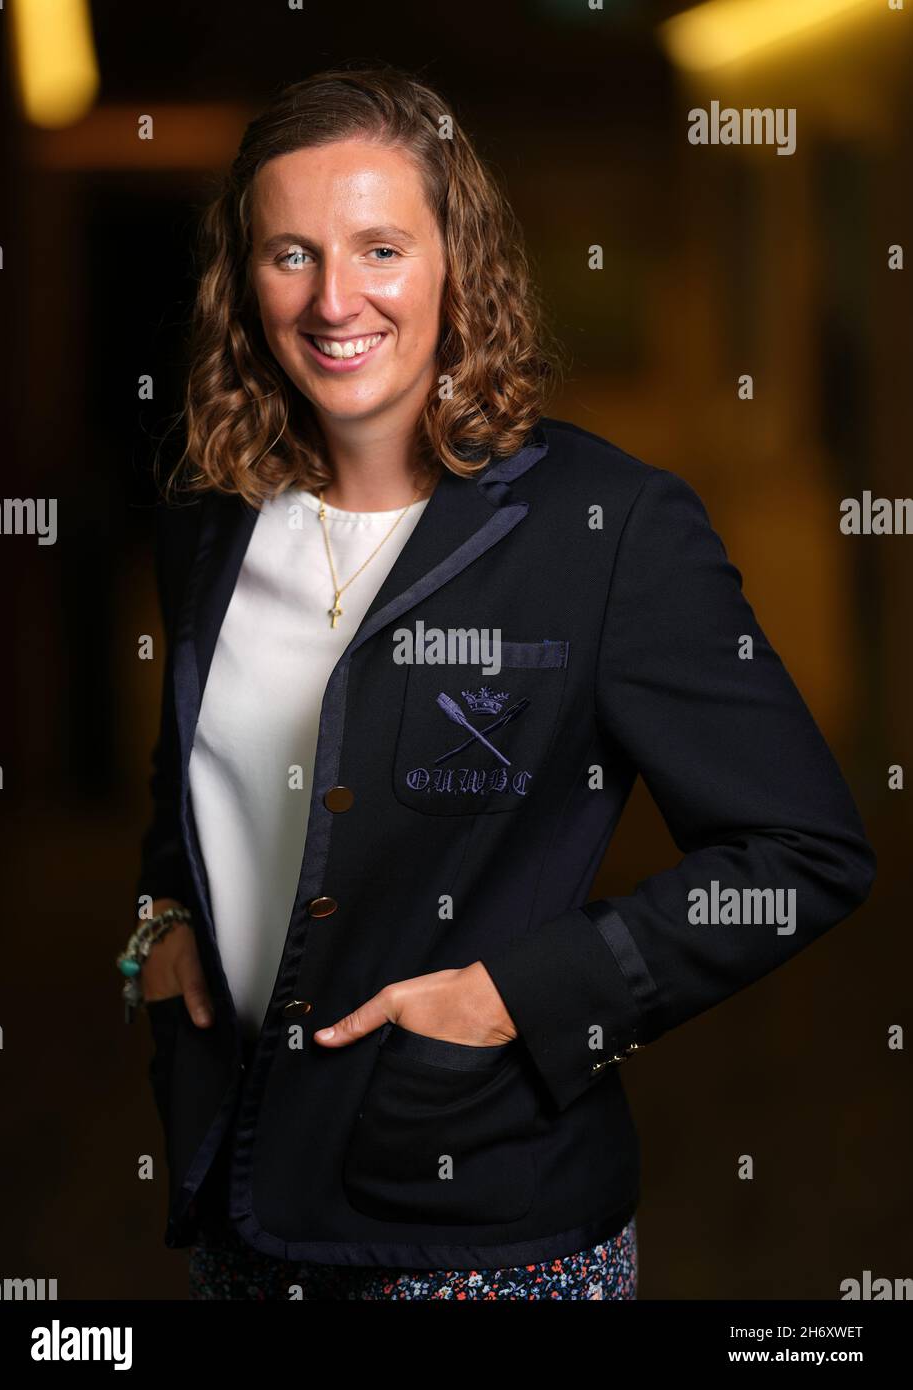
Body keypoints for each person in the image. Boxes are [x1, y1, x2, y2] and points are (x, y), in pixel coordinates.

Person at [127, 63, 875, 1302]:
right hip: (242, 1208)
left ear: (454, 262)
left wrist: (517, 1002)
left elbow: (804, 848)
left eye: (379, 246)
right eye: (290, 254)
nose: (334, 299)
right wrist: (156, 924)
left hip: (485, 1225)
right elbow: (189, 783)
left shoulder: (610, 528)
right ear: (241, 281)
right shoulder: (206, 524)